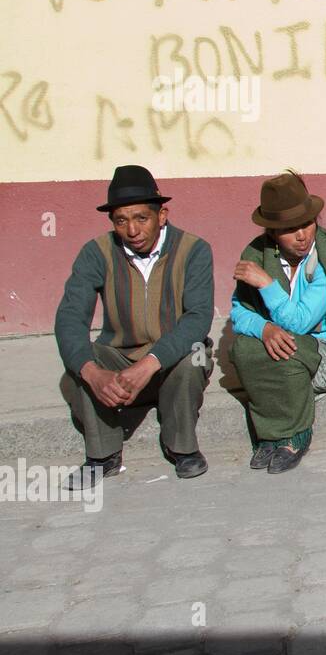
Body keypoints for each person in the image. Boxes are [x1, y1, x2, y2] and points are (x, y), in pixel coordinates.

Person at [55, 165, 215, 487]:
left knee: (195, 355)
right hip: (120, 356)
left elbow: (197, 318)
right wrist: (92, 372)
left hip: (171, 357)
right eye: (121, 221)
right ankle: (103, 455)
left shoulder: (194, 250)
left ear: (162, 215)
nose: (132, 230)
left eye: (142, 218)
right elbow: (70, 317)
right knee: (80, 363)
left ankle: (181, 447)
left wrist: (150, 364)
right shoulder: (96, 253)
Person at [229, 171, 326, 474]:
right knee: (245, 349)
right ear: (271, 232)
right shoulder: (256, 254)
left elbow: (297, 323)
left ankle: (290, 437)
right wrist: (265, 328)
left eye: (306, 224)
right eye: (289, 229)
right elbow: (238, 312)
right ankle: (274, 434)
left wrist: (267, 285)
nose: (302, 235)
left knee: (282, 357)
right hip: (291, 343)